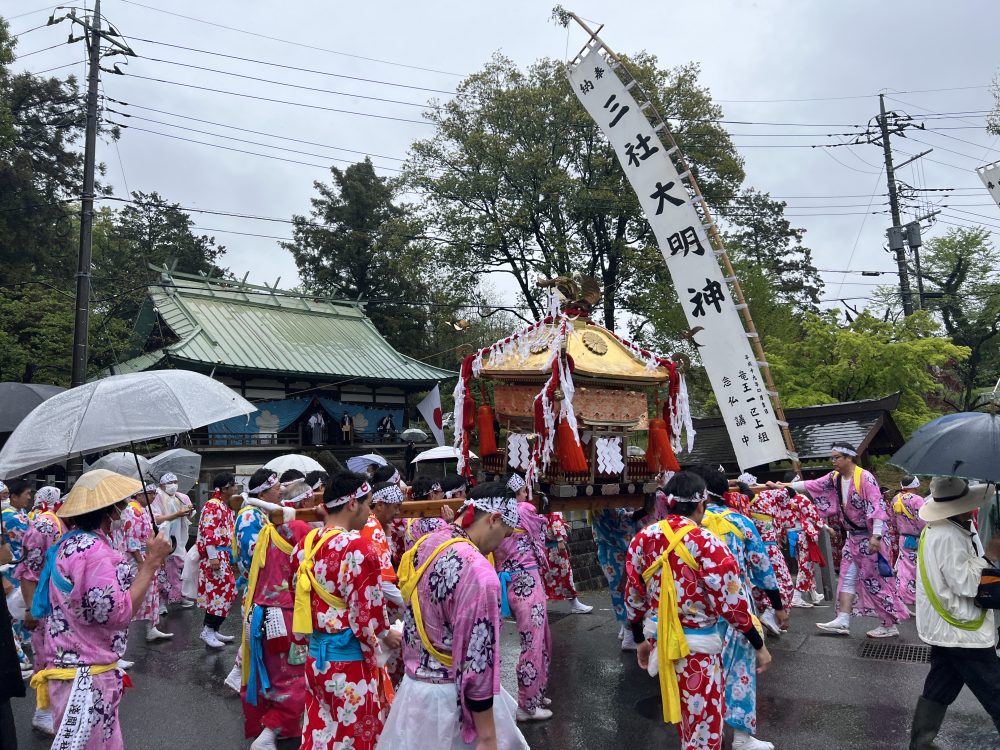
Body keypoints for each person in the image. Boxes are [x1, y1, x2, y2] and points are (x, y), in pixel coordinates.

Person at [625, 471, 771, 750]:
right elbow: (731, 601)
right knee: (704, 724)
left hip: (661, 640)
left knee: (684, 716)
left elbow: (633, 594)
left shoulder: (643, 538)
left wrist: (640, 639)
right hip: (697, 646)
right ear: (700, 504)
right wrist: (757, 642)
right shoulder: (707, 542)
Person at [377, 481, 528, 750]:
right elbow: (477, 663)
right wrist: (487, 736)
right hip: (451, 701)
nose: (502, 544)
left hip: (413, 692)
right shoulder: (480, 574)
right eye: (505, 532)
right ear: (493, 519)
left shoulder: (427, 543)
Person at [29, 469, 170, 749]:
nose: (124, 511)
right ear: (111, 511)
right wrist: (151, 563)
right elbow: (116, 615)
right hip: (86, 676)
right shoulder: (95, 553)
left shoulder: (71, 543)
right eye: (121, 505)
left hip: (73, 669)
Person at [291, 471, 399, 749]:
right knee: (355, 736)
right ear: (353, 504)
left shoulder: (306, 544)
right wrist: (384, 637)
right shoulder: (359, 548)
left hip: (317, 659)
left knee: (320, 731)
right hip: (349, 663)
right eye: (368, 503)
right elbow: (368, 615)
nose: (369, 510)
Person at [771, 442, 908, 638]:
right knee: (846, 577)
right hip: (853, 538)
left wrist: (876, 536)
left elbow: (876, 506)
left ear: (848, 458)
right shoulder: (835, 477)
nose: (832, 461)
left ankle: (889, 623)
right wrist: (786, 486)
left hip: (870, 537)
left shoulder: (865, 478)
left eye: (836, 457)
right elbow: (814, 484)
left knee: (874, 581)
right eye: (832, 457)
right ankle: (843, 619)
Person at [691, 465, 783, 750]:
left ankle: (702, 736)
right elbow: (762, 567)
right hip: (735, 605)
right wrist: (778, 605)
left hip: (695, 608)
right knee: (740, 667)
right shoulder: (740, 522)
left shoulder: (686, 524)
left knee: (700, 670)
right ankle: (741, 738)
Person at [908, 477, 1000, 748]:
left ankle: (921, 744)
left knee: (940, 685)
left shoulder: (944, 527)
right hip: (960, 626)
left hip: (946, 625)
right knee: (995, 689)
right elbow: (966, 583)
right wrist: (991, 555)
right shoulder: (948, 535)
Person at [234, 468, 312, 750]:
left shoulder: (270, 527)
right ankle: (273, 732)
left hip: (262, 611)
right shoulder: (299, 529)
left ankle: (269, 727)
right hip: (285, 614)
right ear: (305, 503)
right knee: (291, 677)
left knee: (270, 673)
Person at [493, 473, 553, 722]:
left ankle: (536, 692)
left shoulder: (495, 513)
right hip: (527, 581)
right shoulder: (525, 509)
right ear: (519, 492)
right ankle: (527, 704)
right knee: (534, 643)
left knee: (541, 639)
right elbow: (543, 528)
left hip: (506, 580)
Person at [14, 485, 65, 736]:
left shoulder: (60, 522)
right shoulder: (45, 524)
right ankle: (42, 712)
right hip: (44, 604)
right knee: (45, 657)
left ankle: (54, 709)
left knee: (58, 657)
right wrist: (31, 609)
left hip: (60, 604)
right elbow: (29, 571)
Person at [361, 481, 406, 686]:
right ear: (379, 505)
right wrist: (411, 605)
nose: (397, 512)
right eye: (394, 507)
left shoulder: (372, 524)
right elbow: (384, 581)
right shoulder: (372, 526)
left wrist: (387, 532)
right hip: (373, 604)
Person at [116, 488, 172, 644]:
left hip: (147, 555)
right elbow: (131, 539)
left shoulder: (143, 510)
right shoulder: (131, 511)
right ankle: (125, 636)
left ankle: (151, 627)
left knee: (151, 592)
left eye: (155, 493)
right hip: (136, 558)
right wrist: (141, 562)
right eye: (150, 493)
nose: (153, 496)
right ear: (139, 495)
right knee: (136, 593)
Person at [591, 504, 648, 651]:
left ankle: (625, 629)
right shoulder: (606, 508)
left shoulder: (595, 507)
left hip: (608, 554)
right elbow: (624, 523)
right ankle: (629, 636)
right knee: (627, 592)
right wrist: (644, 511)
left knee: (619, 592)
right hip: (617, 555)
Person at [196, 472, 241, 649]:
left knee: (224, 592)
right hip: (214, 556)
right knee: (221, 592)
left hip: (222, 554)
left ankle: (213, 628)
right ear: (224, 488)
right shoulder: (212, 506)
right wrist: (213, 556)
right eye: (233, 485)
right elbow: (209, 531)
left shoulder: (223, 505)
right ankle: (208, 629)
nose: (236, 488)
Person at [150, 472, 196, 609]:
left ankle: (179, 596)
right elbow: (156, 519)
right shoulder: (156, 497)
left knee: (180, 568)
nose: (173, 485)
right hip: (164, 538)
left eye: (175, 482)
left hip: (180, 539)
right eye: (169, 483)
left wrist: (188, 512)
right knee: (162, 571)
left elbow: (190, 517)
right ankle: (161, 602)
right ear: (161, 485)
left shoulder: (182, 497)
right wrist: (176, 514)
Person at [541, 508, 593, 614]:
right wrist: (560, 539)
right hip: (553, 544)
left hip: (544, 543)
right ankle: (574, 604)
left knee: (544, 576)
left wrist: (562, 525)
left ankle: (541, 606)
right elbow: (554, 516)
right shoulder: (549, 501)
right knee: (565, 573)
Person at [891, 476, 927, 612]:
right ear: (916, 485)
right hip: (918, 538)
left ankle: (902, 597)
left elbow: (893, 520)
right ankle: (913, 598)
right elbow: (924, 520)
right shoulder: (917, 500)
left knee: (904, 568)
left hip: (903, 538)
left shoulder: (896, 499)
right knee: (918, 568)